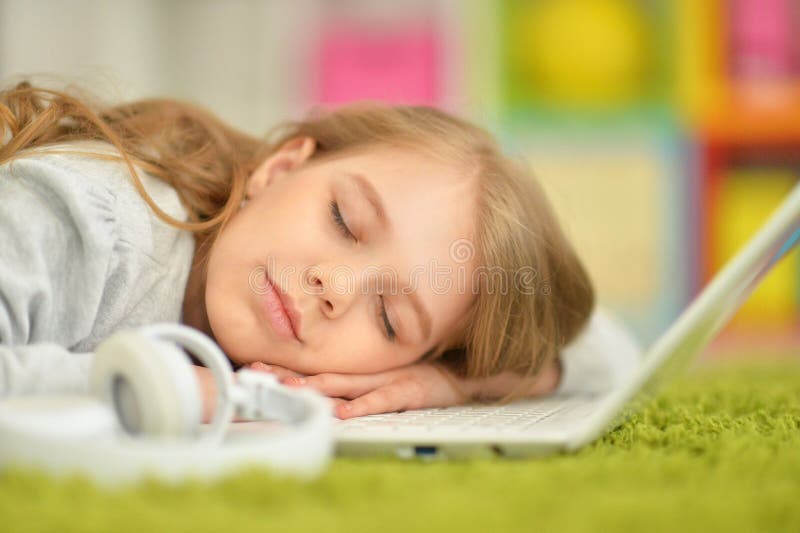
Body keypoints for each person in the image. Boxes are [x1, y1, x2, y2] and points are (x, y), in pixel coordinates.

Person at [0, 79, 614, 423]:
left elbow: (606, 354)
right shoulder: (93, 219)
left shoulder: (295, 363)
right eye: (344, 221)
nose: (335, 287)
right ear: (281, 168)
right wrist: (175, 388)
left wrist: (450, 381)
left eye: (389, 318)